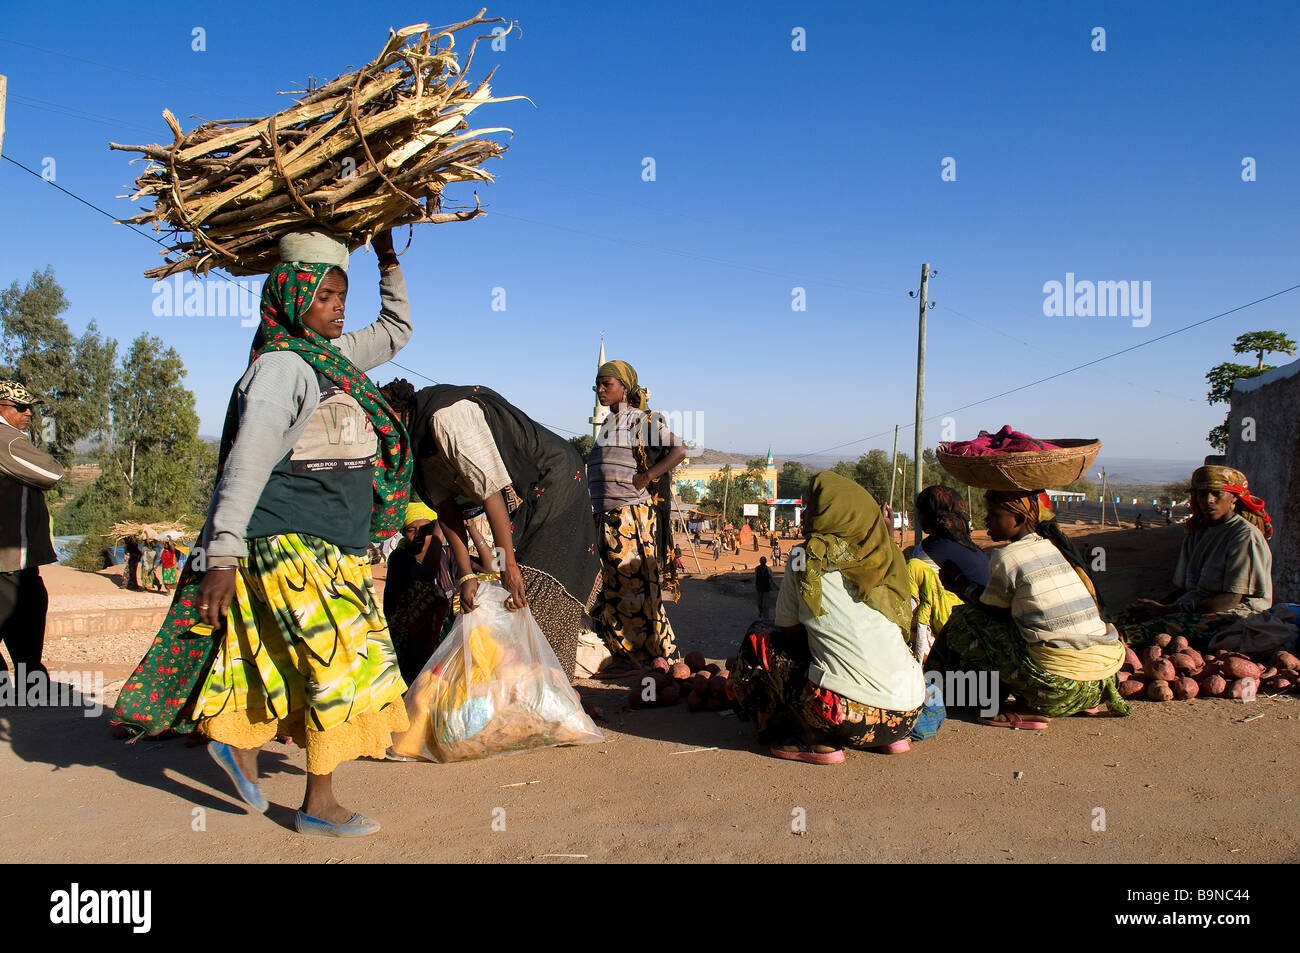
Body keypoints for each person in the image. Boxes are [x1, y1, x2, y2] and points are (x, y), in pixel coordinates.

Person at [114, 228, 413, 837]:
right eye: (327, 295)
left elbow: (395, 331)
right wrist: (221, 553)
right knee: (343, 664)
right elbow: (246, 464)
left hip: (331, 542)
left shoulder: (329, 359)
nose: (339, 307)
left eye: (342, 295)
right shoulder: (283, 369)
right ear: (293, 295)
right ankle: (318, 803)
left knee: (276, 659)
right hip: (292, 542)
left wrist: (386, 255)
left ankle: (236, 742)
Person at [379, 379, 602, 679]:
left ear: (396, 415)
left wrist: (508, 566)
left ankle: (556, 694)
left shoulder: (448, 417)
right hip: (522, 498)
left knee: (537, 589)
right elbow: (447, 510)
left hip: (554, 480)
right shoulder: (418, 444)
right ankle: (524, 696)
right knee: (516, 601)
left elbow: (490, 491)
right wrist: (466, 575)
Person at [729, 472, 925, 763]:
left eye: (813, 507)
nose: (806, 514)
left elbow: (790, 633)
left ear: (832, 515)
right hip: (909, 713)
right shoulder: (886, 557)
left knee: (762, 636)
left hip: (846, 715)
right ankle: (888, 740)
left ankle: (811, 738)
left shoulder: (804, 557)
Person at [932, 489, 1129, 727]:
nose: (987, 521)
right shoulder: (1054, 548)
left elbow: (993, 612)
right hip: (1099, 684)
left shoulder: (1007, 556)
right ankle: (969, 691)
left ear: (1019, 518)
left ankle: (947, 693)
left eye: (994, 515)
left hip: (1056, 690)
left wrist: (961, 586)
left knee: (965, 619)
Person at [587, 360, 687, 666]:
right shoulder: (608, 423)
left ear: (625, 389)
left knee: (638, 589)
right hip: (606, 516)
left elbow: (679, 449)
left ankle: (663, 656)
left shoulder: (641, 420)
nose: (601, 390)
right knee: (616, 589)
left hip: (630, 518)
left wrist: (647, 476)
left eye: (607, 384)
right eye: (598, 385)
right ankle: (627, 655)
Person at [1121, 466, 1273, 647]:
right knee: (1117, 623)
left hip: (1232, 617)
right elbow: (1187, 589)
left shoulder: (1243, 536)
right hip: (1193, 609)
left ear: (1233, 497)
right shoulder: (1198, 533)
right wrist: (1152, 607)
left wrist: (1166, 610)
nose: (1208, 500)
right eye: (1202, 494)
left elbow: (1230, 600)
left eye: (1217, 494)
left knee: (1132, 635)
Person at [0, 381, 65, 683]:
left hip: (16, 556)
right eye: (20, 407)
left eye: (30, 407)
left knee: (28, 608)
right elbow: (51, 472)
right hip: (10, 553)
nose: (28, 413)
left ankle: (29, 680)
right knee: (22, 610)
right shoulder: (8, 440)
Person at [906, 486, 990, 658]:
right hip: (985, 624)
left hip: (966, 631)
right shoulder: (968, 545)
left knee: (912, 567)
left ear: (928, 517)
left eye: (920, 512)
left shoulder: (931, 550)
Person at [383, 501, 453, 683]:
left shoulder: (447, 554)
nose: (419, 536)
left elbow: (493, 565)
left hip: (439, 644)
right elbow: (426, 576)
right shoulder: (399, 558)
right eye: (411, 530)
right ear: (402, 533)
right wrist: (440, 527)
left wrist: (473, 531)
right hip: (411, 646)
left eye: (425, 529)